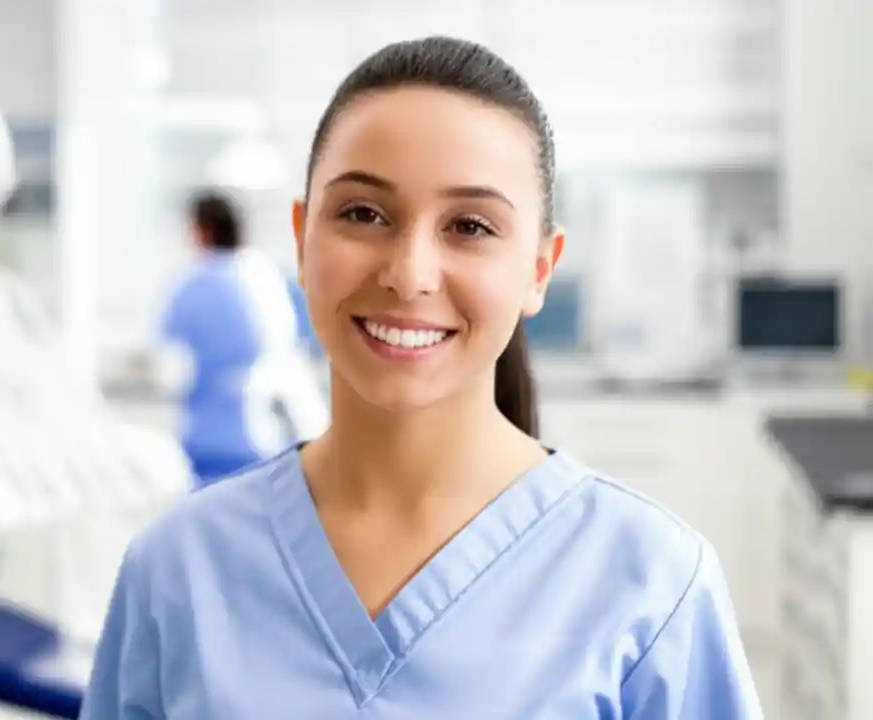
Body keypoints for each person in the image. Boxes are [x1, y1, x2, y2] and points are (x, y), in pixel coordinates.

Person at [82, 36, 762, 718]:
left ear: (539, 270)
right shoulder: (176, 570)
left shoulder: (654, 585)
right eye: (363, 214)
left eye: (470, 226)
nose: (409, 274)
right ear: (302, 238)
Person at [158, 191, 327, 488]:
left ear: (203, 229)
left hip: (213, 439)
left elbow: (164, 352)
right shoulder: (264, 274)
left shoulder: (198, 282)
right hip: (268, 434)